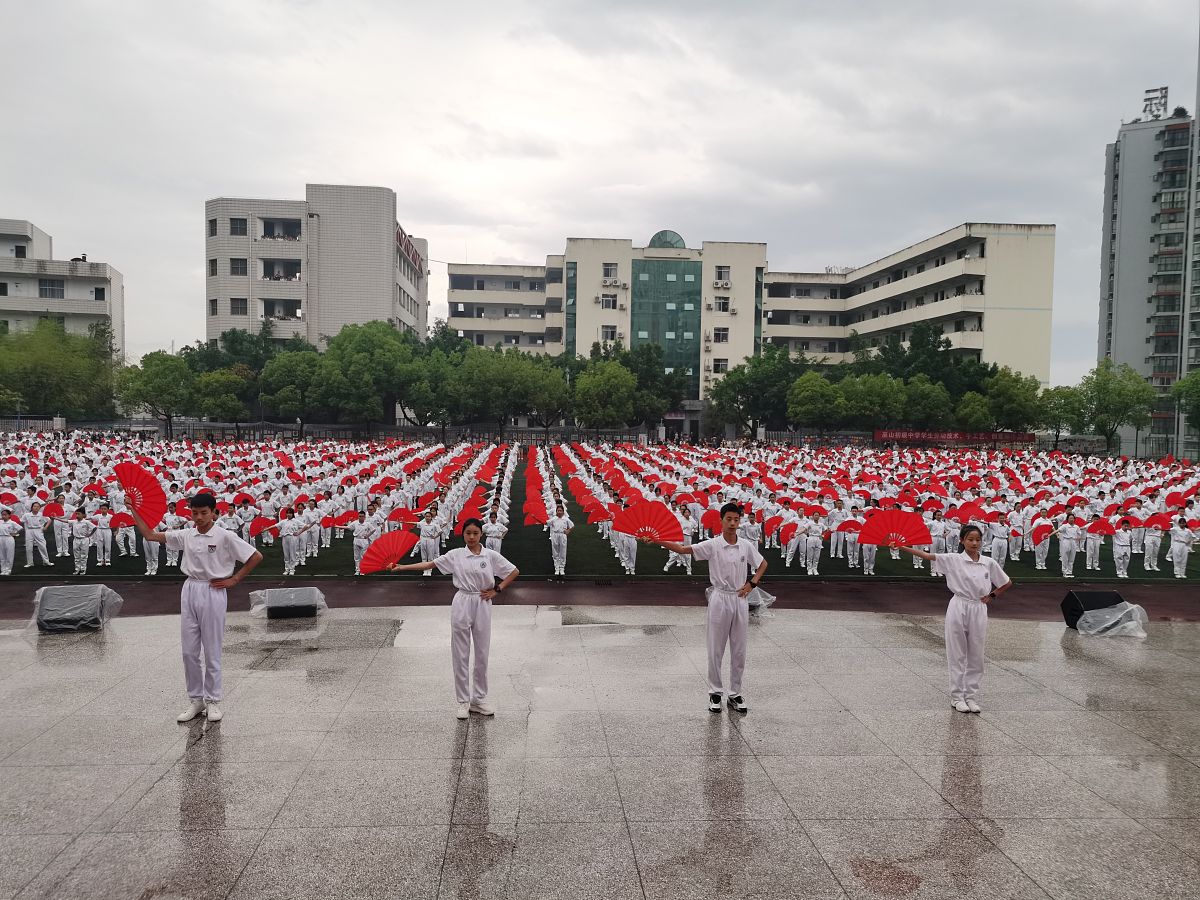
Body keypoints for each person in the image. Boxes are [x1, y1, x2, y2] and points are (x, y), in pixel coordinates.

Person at [130, 494, 262, 723]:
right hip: (190, 588)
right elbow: (150, 535)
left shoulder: (225, 536)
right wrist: (133, 509)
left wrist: (235, 579)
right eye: (194, 513)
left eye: (204, 513)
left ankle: (213, 701)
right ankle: (196, 699)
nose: (199, 517)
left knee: (211, 649)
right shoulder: (186, 535)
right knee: (189, 651)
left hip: (213, 590)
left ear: (214, 513)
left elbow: (255, 556)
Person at [388, 518, 519, 719]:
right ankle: (463, 701)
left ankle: (479, 699)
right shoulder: (456, 555)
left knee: (482, 652)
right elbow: (431, 563)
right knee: (460, 652)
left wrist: (497, 590)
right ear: (463, 534)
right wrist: (402, 567)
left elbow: (513, 571)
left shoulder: (490, 555)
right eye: (468, 533)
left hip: (482, 602)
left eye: (475, 533)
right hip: (462, 601)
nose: (472, 537)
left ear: (481, 534)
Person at [654, 502, 767, 713]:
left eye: (736, 519)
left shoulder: (745, 545)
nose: (733, 523)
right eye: (729, 519)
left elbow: (762, 564)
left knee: (739, 649)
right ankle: (715, 693)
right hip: (719, 598)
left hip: (739, 599)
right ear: (721, 521)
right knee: (716, 647)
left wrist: (752, 583)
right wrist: (655, 539)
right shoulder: (713, 544)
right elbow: (682, 548)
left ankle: (735, 693)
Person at [894, 524, 1011, 714]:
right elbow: (927, 556)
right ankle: (957, 697)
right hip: (959, 605)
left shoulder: (988, 562)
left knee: (976, 653)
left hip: (978, 608)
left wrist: (992, 595)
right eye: (970, 539)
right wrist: (901, 547)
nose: (974, 543)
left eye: (977, 539)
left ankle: (971, 695)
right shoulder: (953, 559)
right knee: (957, 652)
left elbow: (1006, 582)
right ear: (962, 541)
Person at [21, 502, 53, 568]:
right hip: (29, 531)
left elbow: (49, 520)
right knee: (29, 547)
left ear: (39, 508)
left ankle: (46, 561)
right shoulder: (26, 515)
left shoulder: (42, 514)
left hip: (39, 530)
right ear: (32, 507)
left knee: (43, 546)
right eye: (34, 506)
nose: (36, 508)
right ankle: (30, 563)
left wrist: (46, 527)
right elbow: (21, 521)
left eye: (38, 506)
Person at [547, 502, 573, 581]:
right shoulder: (553, 519)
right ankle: (556, 568)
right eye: (558, 510)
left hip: (562, 535)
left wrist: (568, 530)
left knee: (563, 551)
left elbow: (572, 525)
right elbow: (546, 523)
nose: (559, 512)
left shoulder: (566, 518)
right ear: (556, 511)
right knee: (555, 552)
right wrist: (535, 518)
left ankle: (562, 568)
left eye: (561, 510)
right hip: (555, 535)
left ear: (563, 511)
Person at [70, 509, 97, 575]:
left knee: (84, 555)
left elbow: (94, 527)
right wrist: (55, 518)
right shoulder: (74, 521)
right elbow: (65, 521)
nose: (77, 515)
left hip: (84, 539)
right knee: (76, 556)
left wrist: (90, 535)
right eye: (76, 514)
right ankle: (77, 569)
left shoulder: (86, 522)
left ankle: (83, 569)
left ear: (83, 515)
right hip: (76, 540)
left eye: (78, 514)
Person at [0, 508, 20, 575]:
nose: (3, 516)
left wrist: (15, 533)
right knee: (2, 555)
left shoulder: (12, 522)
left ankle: (8, 570)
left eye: (5, 515)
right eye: (2, 515)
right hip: (1, 538)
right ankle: (3, 570)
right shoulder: (0, 522)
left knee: (9, 555)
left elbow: (20, 528)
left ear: (9, 515)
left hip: (9, 538)